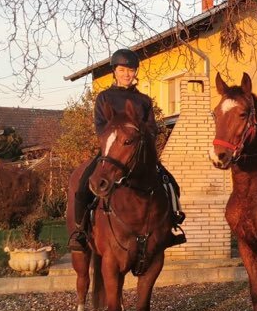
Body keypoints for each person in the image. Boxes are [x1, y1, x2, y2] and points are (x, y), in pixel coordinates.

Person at [68, 49, 186, 251]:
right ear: (114, 71)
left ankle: (171, 226)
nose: (126, 74)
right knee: (82, 186)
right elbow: (100, 127)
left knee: (171, 184)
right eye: (122, 70)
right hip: (111, 153)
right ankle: (80, 232)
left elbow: (151, 128)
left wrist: (141, 142)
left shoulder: (144, 101)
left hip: (138, 154)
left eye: (130, 70)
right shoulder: (104, 98)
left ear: (135, 72)